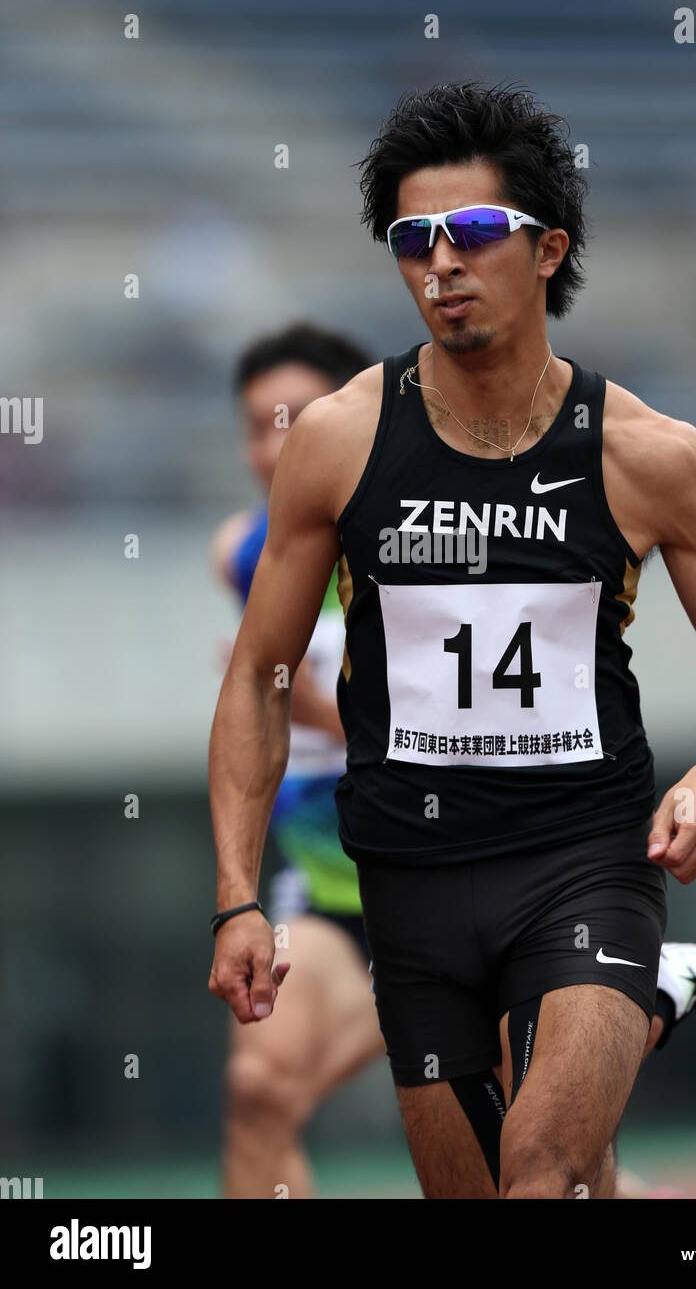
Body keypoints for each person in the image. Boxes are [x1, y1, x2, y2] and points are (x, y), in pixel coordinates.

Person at [208, 82, 696, 1199]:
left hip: (579, 857)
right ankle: (651, 1007)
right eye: (411, 239)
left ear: (545, 250)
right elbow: (256, 678)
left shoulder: (649, 454)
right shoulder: (337, 442)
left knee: (538, 1166)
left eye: (473, 232)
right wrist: (238, 894)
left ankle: (626, 997)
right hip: (408, 879)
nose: (440, 262)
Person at [210, 322, 384, 1199]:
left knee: (528, 1152)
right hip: (323, 895)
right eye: (254, 425)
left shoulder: (410, 548)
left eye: (294, 418)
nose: (273, 446)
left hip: (459, 882)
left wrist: (328, 712)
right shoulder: (244, 557)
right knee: (259, 1090)